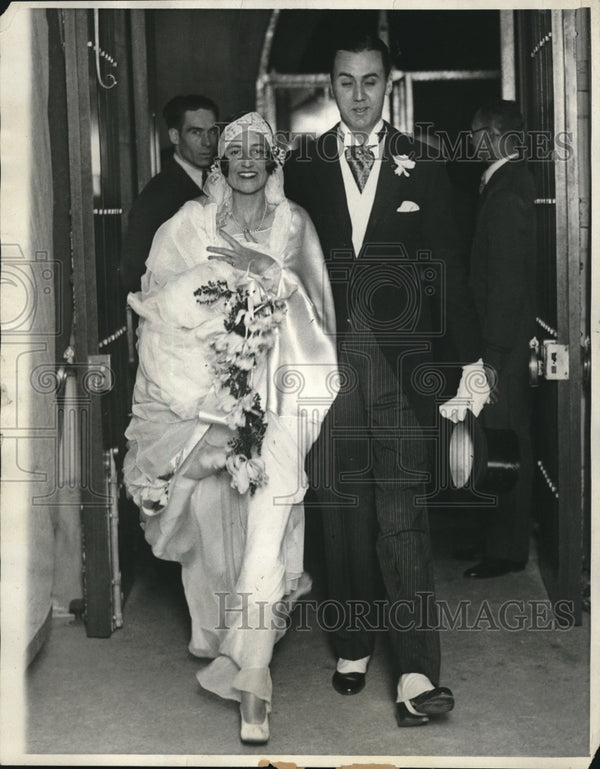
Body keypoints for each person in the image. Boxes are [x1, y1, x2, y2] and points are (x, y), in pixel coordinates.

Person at [284, 31, 488, 726]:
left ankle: (417, 669)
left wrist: (468, 366)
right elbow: (284, 268)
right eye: (346, 83)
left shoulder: (425, 166)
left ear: (389, 84)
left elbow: (452, 276)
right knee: (340, 508)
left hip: (404, 370)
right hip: (326, 364)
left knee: (402, 513)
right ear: (330, 87)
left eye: (371, 81)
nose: (360, 96)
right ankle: (350, 642)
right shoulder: (302, 165)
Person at [123, 112, 338, 744]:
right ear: (221, 158)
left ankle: (252, 677)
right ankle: (235, 651)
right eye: (234, 149)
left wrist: (269, 274)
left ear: (272, 159)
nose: (247, 159)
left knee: (273, 510)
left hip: (287, 395)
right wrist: (209, 370)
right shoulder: (188, 224)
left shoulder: (295, 223)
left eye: (258, 150)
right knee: (222, 528)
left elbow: (321, 315)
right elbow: (160, 309)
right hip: (212, 404)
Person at [460, 99, 536, 579]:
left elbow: (506, 284)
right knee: (495, 441)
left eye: (473, 133)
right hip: (501, 345)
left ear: (492, 135)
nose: (469, 142)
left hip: (503, 349)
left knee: (505, 443)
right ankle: (498, 541)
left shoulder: (507, 193)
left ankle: (507, 552)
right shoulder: (506, 183)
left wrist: (492, 356)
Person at [119, 94, 219, 293]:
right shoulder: (156, 196)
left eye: (212, 132)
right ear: (175, 136)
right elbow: (133, 274)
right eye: (196, 132)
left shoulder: (221, 181)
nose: (207, 142)